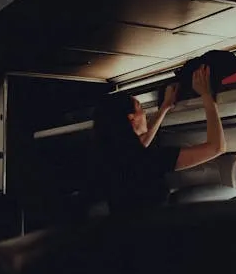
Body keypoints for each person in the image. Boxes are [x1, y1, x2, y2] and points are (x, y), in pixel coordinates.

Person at [93, 64, 226, 214]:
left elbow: (141, 143)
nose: (145, 114)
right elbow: (217, 147)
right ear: (131, 119)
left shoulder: (111, 158)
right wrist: (207, 95)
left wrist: (164, 107)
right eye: (141, 109)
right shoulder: (148, 159)